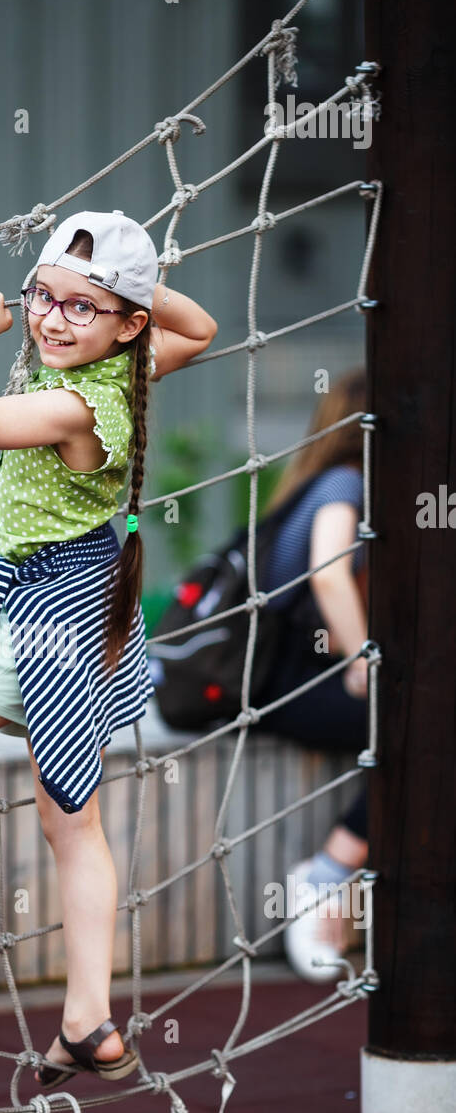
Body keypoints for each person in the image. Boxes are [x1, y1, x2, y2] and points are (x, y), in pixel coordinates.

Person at [0, 209, 217, 1088]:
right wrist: (110, 290)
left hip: (45, 614)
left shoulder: (70, 403)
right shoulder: (132, 374)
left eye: (80, 309)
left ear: (130, 324)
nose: (52, 320)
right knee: (73, 819)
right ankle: (91, 1021)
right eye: (41, 299)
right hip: (92, 608)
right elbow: (200, 329)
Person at [256, 366, 370, 981]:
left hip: (281, 674)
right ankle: (323, 879)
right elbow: (327, 573)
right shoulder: (345, 483)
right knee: (427, 735)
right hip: (290, 681)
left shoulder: (314, 480)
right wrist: (362, 661)